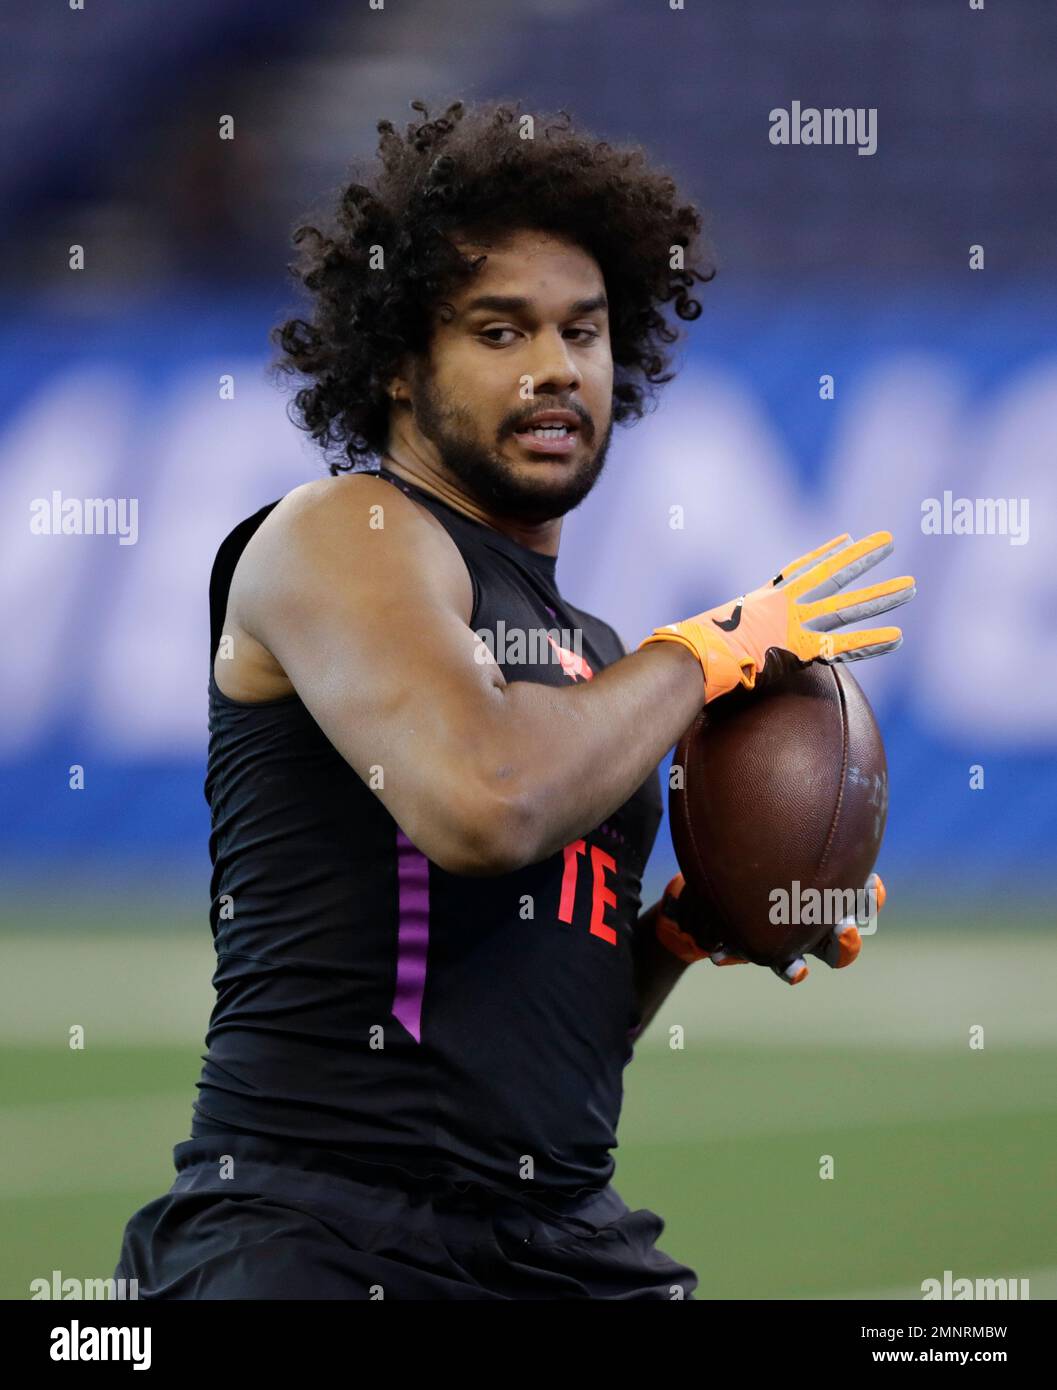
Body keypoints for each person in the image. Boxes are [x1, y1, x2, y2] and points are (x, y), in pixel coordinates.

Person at [114, 99, 913, 1300]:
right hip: (316, 1230)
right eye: (499, 331)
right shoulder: (346, 531)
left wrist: (681, 936)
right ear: (395, 359)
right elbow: (484, 800)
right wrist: (706, 652)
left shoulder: (588, 655)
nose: (554, 367)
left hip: (556, 1238)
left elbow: (542, 1048)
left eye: (583, 333)